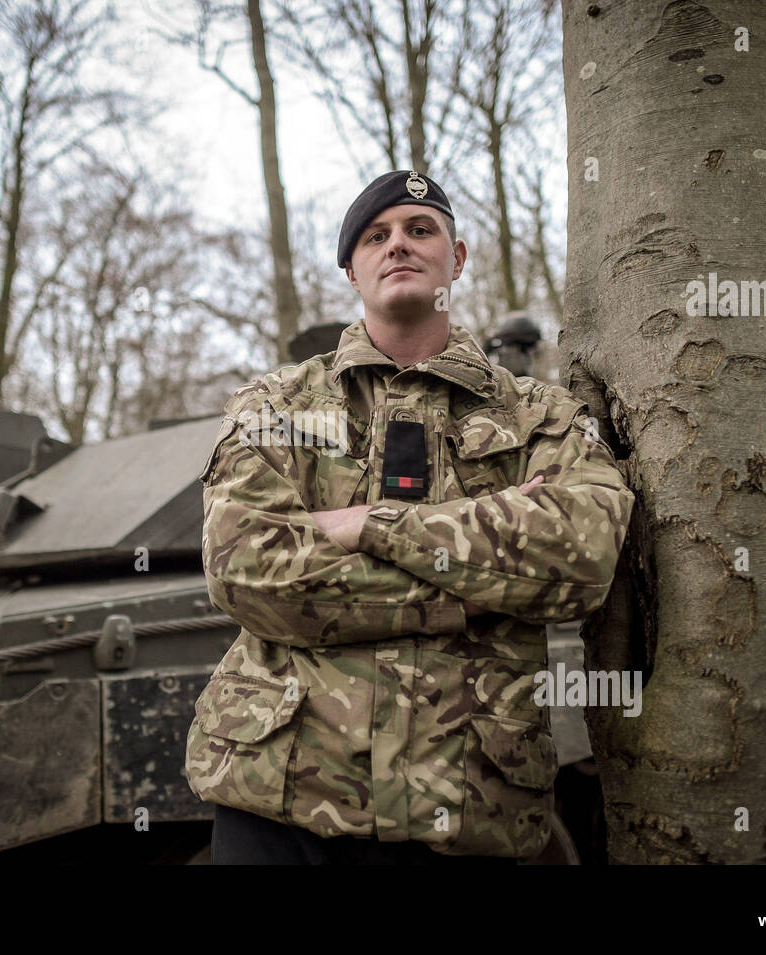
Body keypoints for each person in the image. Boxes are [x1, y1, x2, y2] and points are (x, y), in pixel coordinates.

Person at [184, 169, 635, 864]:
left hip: (472, 809)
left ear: (456, 259)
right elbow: (248, 570)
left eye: (421, 230)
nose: (399, 244)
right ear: (351, 270)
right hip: (280, 804)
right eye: (377, 235)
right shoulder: (278, 404)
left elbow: (580, 558)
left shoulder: (540, 415)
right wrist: (489, 583)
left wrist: (369, 526)